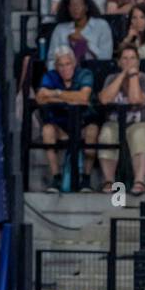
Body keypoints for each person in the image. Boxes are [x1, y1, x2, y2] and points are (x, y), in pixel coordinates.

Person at [96, 44, 145, 196]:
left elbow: (135, 99)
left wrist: (132, 76)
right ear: (119, 62)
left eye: (133, 58)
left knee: (137, 133)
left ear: (138, 61)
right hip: (117, 123)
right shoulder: (111, 78)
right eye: (124, 59)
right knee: (106, 132)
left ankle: (140, 181)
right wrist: (122, 75)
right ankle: (109, 181)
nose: (129, 62)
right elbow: (104, 99)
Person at [35, 45, 101, 193]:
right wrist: (70, 98)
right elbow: (40, 98)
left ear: (74, 62)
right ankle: (56, 178)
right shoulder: (50, 76)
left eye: (68, 64)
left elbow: (84, 97)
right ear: (56, 66)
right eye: (61, 65)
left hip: (83, 122)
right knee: (47, 130)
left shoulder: (85, 74)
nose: (65, 68)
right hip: (60, 124)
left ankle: (86, 179)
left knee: (92, 130)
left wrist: (56, 94)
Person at [47, 0, 114, 65]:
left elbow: (106, 58)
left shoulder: (102, 26)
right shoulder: (60, 29)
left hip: (94, 71)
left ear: (86, 7)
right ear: (68, 9)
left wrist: (86, 43)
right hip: (64, 73)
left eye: (79, 4)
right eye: (72, 5)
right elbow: (51, 59)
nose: (75, 8)